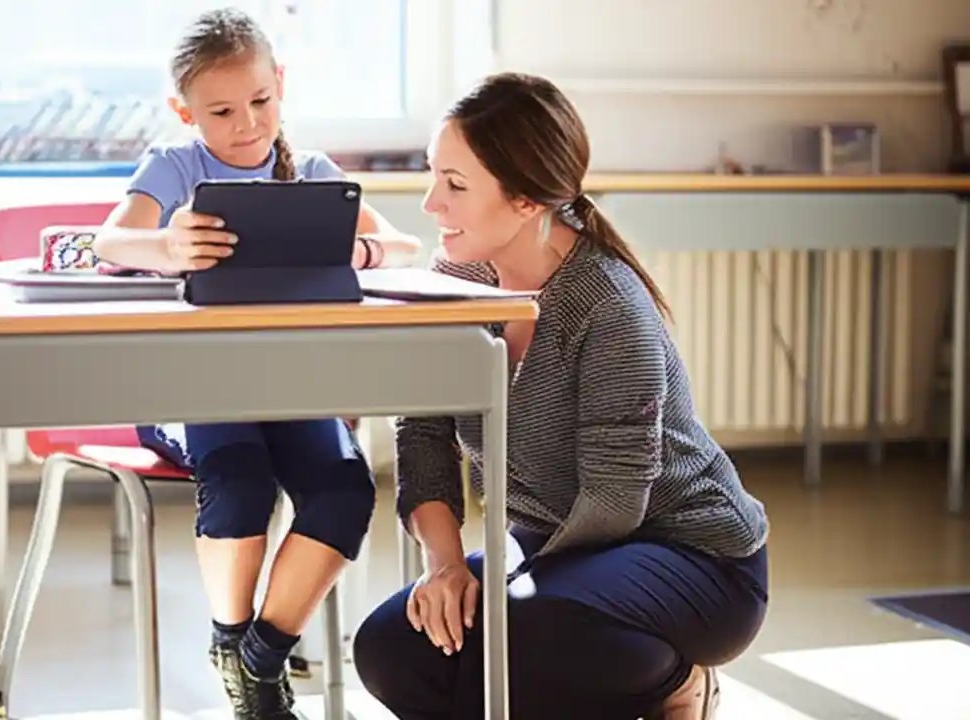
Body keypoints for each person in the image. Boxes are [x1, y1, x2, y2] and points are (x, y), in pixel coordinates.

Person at [352, 72, 771, 720]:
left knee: (519, 635)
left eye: (455, 185)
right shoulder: (452, 281)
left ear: (526, 202)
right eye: (433, 175)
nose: (432, 204)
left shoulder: (608, 305)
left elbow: (612, 500)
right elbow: (423, 436)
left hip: (696, 561)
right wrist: (445, 569)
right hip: (556, 548)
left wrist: (505, 591)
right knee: (392, 648)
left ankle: (678, 682)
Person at [82, 8, 421, 719]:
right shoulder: (173, 168)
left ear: (282, 85)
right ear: (185, 111)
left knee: (343, 491)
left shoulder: (317, 174)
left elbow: (405, 248)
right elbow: (110, 244)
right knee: (241, 484)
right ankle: (230, 639)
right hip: (197, 387)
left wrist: (357, 252)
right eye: (222, 110)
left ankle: (260, 655)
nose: (247, 123)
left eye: (261, 101)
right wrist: (167, 248)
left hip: (297, 387)